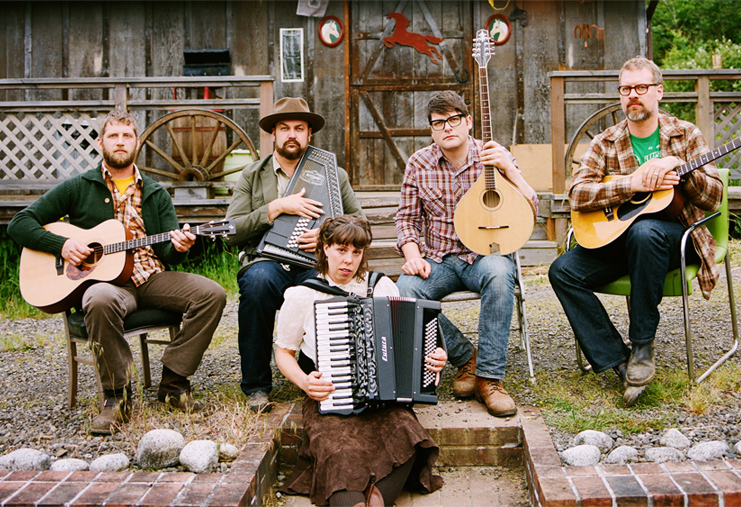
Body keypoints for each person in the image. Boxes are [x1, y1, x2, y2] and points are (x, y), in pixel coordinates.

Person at [8, 109, 227, 435]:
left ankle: (174, 384)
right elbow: (19, 223)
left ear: (137, 142)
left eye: (127, 136)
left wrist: (180, 247)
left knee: (212, 294)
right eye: (113, 135)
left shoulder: (155, 192)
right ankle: (117, 396)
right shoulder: (78, 187)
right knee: (96, 297)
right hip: (108, 283)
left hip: (151, 277)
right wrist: (62, 246)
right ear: (101, 142)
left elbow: (169, 252)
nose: (121, 142)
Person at [548, 56, 723, 406]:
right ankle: (618, 360)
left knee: (646, 233)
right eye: (626, 89)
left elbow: (714, 198)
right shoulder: (605, 141)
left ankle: (642, 345)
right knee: (562, 271)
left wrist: (684, 174)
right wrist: (631, 184)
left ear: (659, 92)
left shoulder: (685, 134)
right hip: (618, 241)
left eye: (641, 88)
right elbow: (576, 194)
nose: (633, 95)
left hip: (677, 237)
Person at [275, 215, 446, 507]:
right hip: (331, 397)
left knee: (408, 434)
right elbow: (284, 352)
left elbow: (413, 351)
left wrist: (434, 362)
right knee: (340, 453)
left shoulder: (380, 288)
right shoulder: (302, 295)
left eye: (357, 252)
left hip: (384, 401)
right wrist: (304, 382)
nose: (349, 260)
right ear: (324, 248)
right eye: (341, 250)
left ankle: (376, 499)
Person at [394, 91, 537, 418]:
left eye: (454, 119)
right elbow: (406, 218)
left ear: (469, 121)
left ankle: (489, 378)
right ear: (431, 130)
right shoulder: (420, 163)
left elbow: (532, 207)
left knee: (501, 274)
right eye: (438, 123)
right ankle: (464, 357)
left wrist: (510, 171)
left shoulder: (493, 154)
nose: (447, 127)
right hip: (438, 258)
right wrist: (413, 253)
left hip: (485, 254)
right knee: (403, 292)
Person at [224, 97, 363, 413]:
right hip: (267, 262)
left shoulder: (332, 174)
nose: (292, 134)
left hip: (313, 263)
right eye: (284, 127)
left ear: (309, 134)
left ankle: (319, 376)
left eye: (299, 128)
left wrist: (328, 233)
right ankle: (257, 386)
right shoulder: (252, 175)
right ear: (272, 133)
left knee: (325, 287)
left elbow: (360, 222)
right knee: (257, 284)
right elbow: (232, 231)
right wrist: (274, 208)